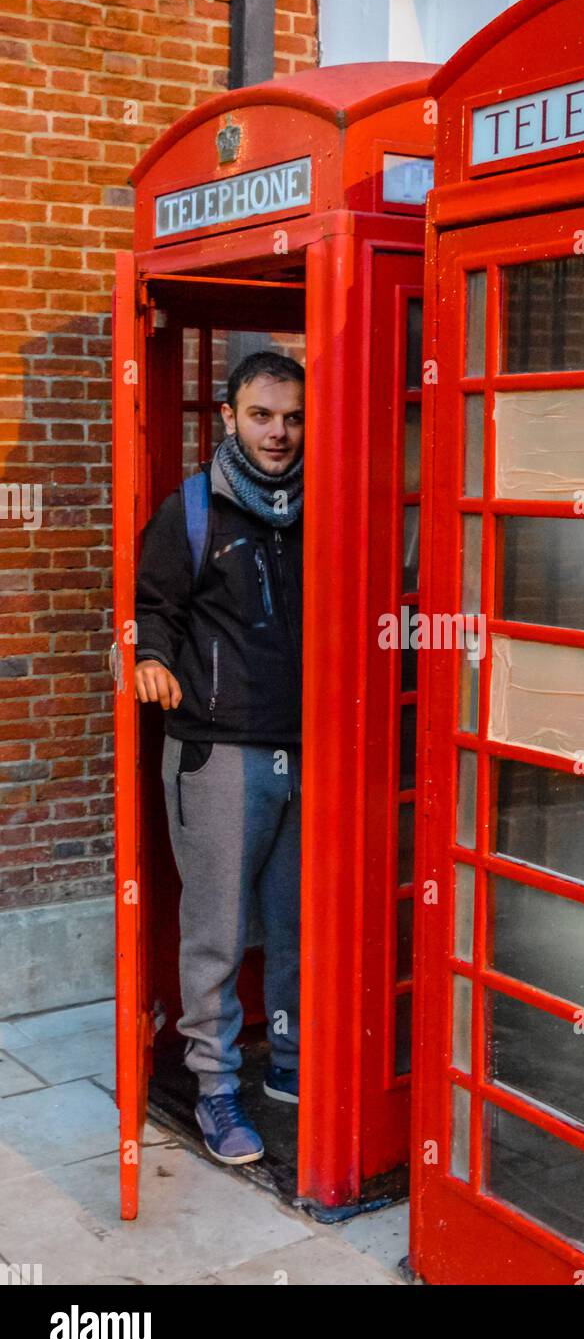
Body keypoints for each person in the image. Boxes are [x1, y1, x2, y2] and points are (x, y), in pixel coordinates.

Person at [134, 350, 304, 1166]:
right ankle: (214, 1090)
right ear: (228, 417)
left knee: (299, 922)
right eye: (263, 415)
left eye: (293, 416)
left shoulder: (319, 506)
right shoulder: (193, 512)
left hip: (311, 748)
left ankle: (296, 1060)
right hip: (218, 752)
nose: (279, 433)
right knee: (216, 932)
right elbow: (151, 607)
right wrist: (153, 659)